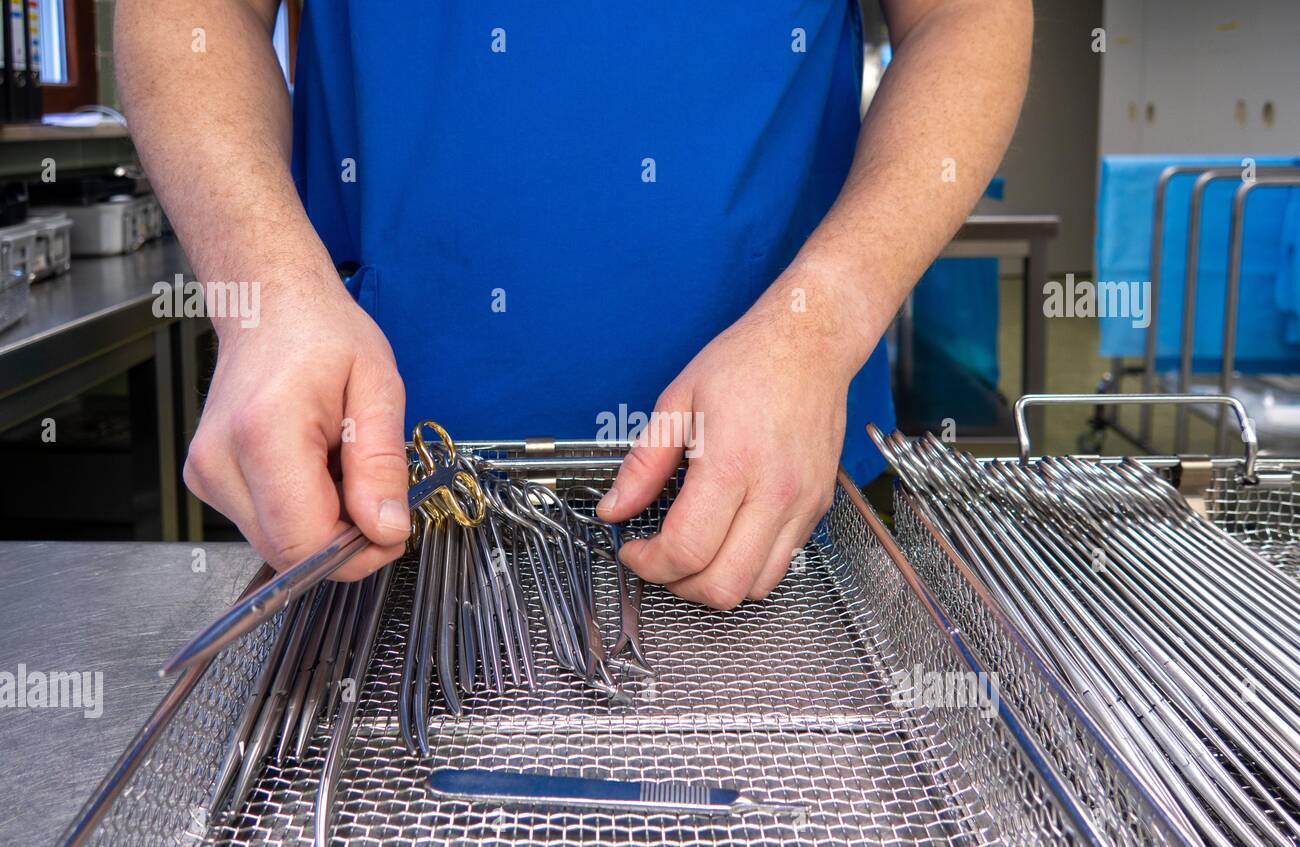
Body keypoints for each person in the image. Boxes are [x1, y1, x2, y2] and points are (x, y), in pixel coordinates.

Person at [116, 0, 1031, 609]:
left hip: (776, 488)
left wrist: (822, 319)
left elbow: (963, 16)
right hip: (375, 488)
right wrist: (267, 294)